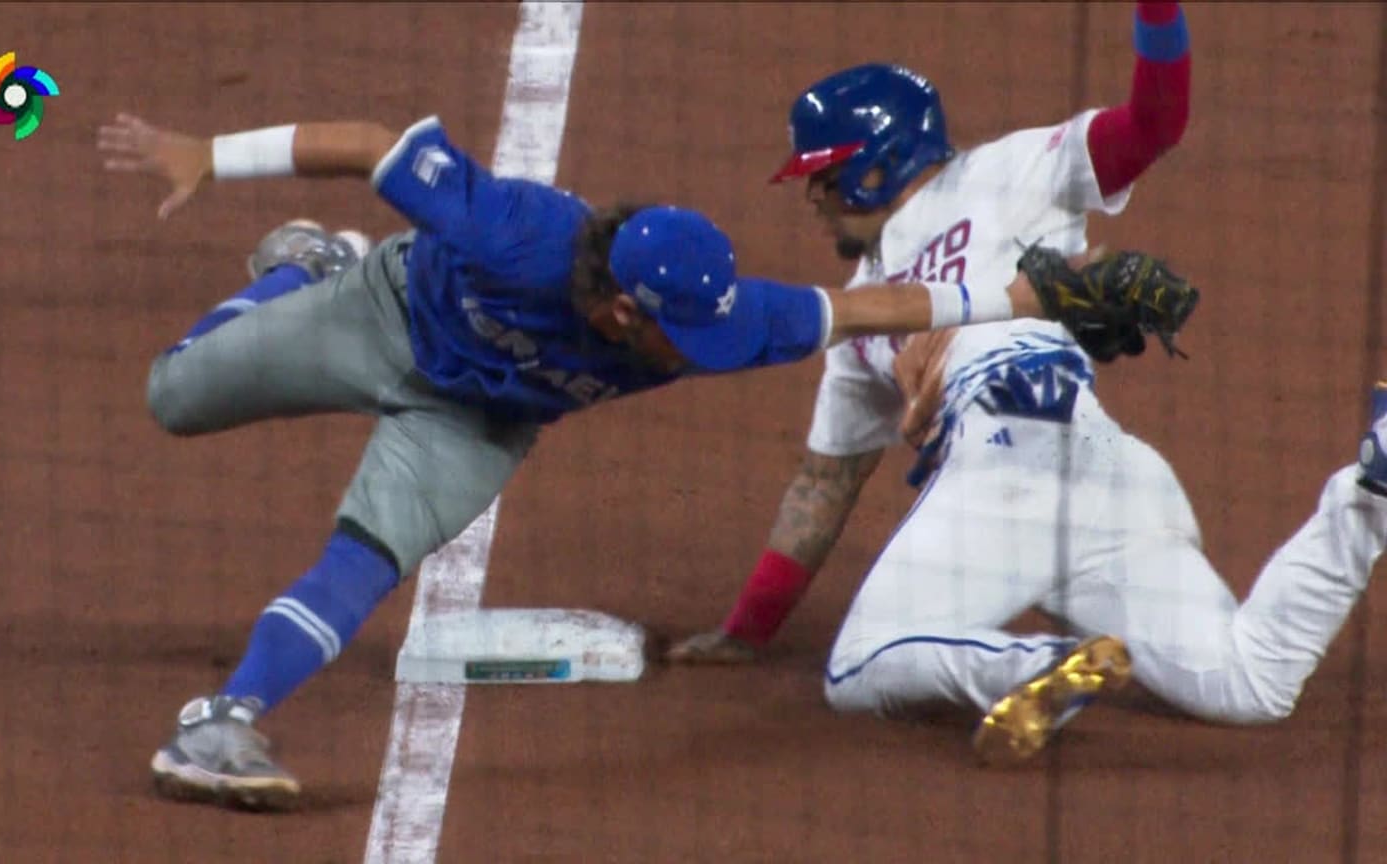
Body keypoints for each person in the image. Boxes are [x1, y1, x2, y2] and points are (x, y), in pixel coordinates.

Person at [95, 104, 1185, 807]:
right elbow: (363, 143)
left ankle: (220, 725)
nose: (701, 352)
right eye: (675, 333)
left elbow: (879, 304)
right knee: (171, 397)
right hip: (380, 315)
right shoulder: (513, 231)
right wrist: (205, 155)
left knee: (364, 560)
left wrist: (1040, 294)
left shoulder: (732, 314)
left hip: (476, 423)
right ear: (619, 306)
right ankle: (294, 271)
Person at [668, 2, 1386, 765]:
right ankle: (1369, 494)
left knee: (857, 668)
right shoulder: (861, 317)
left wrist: (1158, 12)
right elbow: (824, 483)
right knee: (1247, 683)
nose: (814, 198)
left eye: (828, 177)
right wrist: (747, 628)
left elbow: (1155, 123)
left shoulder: (1011, 171)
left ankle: (1028, 664)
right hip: (1102, 475)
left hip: (1008, 457)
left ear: (882, 161)